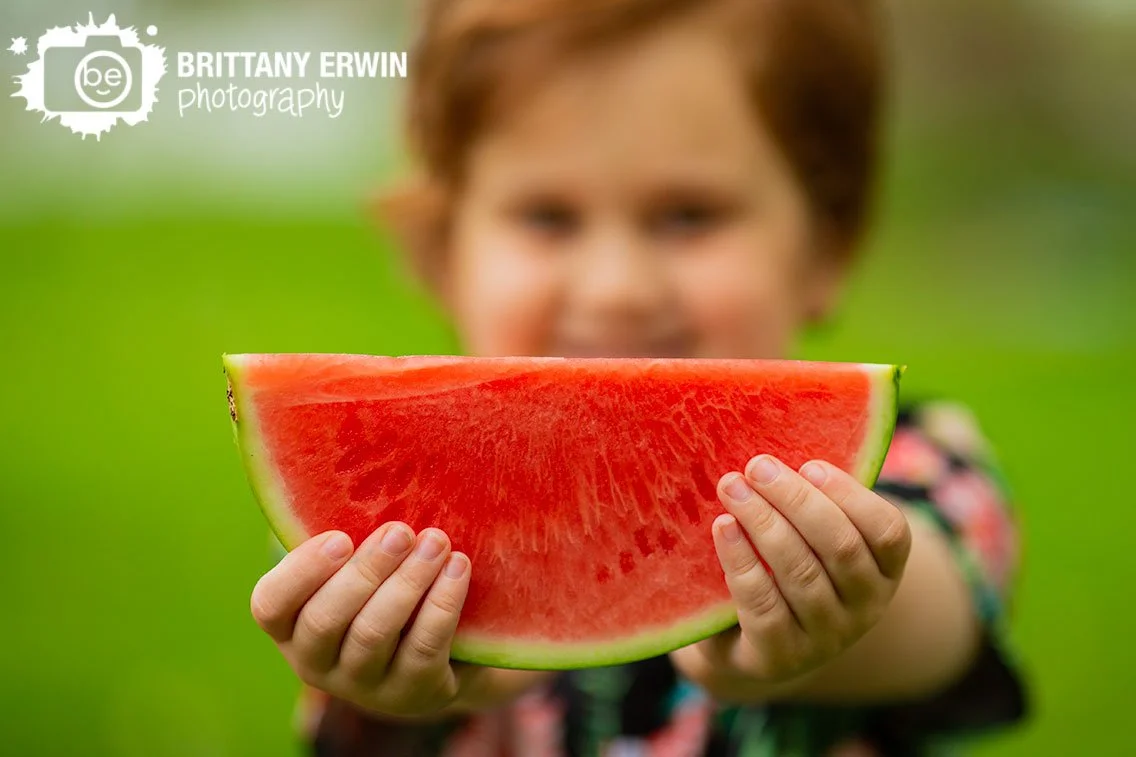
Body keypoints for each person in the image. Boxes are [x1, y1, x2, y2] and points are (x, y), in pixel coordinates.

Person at [249, 0, 1027, 753]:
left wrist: (846, 606)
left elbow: (940, 609)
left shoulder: (922, 467)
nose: (616, 288)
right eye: (547, 217)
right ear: (444, 253)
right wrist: (392, 660)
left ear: (826, 247)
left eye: (689, 215)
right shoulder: (410, 523)